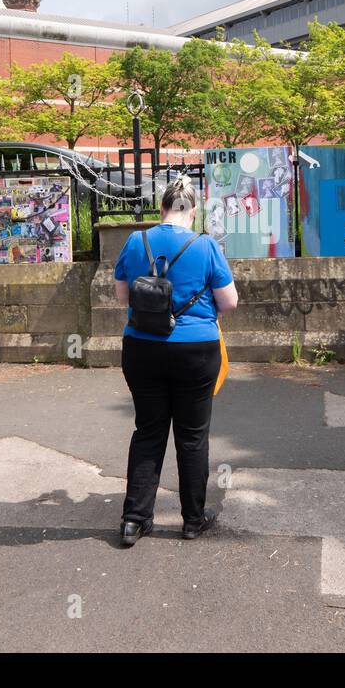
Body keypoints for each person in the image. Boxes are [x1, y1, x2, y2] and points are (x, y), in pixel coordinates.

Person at [113, 177, 239, 547]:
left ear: (162, 208)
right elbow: (229, 302)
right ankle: (192, 521)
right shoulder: (206, 246)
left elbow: (124, 297)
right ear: (193, 210)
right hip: (195, 351)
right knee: (193, 436)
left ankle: (134, 520)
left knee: (148, 432)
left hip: (142, 348)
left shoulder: (138, 241)